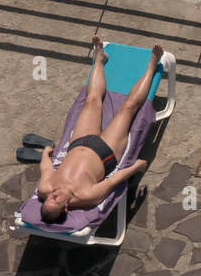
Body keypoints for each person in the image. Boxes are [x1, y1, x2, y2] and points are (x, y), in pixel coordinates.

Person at [36, 36, 159, 224]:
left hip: (78, 143)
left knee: (92, 100)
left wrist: (46, 153)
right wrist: (135, 167)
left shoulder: (45, 188)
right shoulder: (87, 196)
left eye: (48, 200)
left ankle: (99, 58)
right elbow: (112, 181)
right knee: (128, 107)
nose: (52, 195)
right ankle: (152, 66)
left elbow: (46, 168)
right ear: (66, 208)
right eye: (56, 200)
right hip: (105, 153)